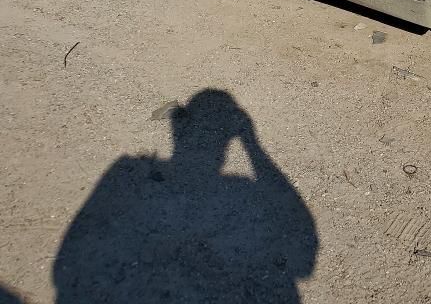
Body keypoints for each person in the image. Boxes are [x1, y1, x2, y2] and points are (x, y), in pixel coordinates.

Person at [53, 89, 317, 303]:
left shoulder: (122, 171)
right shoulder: (243, 188)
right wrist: (251, 142)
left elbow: (70, 264)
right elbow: (304, 256)